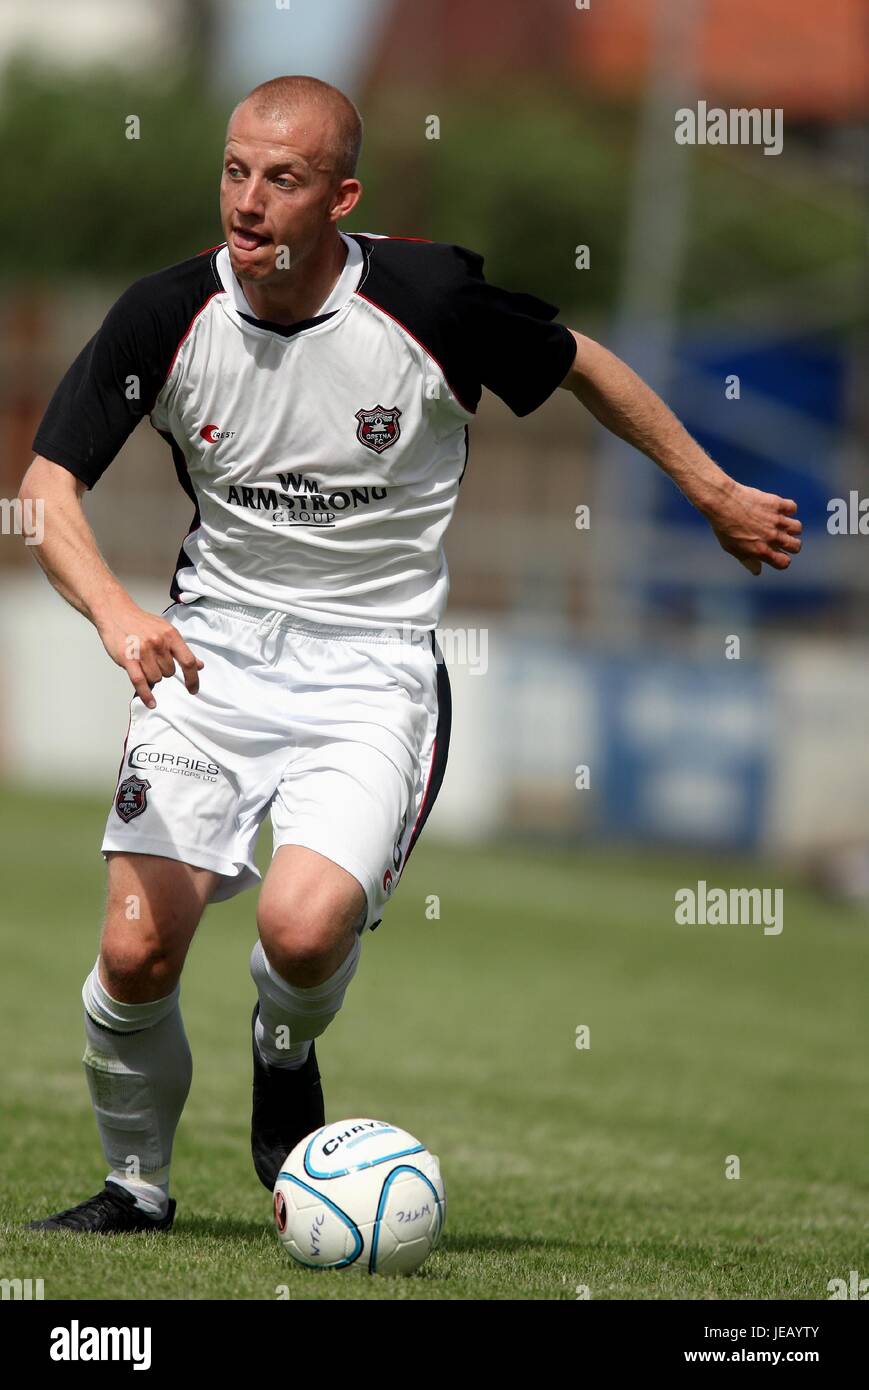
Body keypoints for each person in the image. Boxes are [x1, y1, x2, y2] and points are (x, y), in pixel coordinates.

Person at [20, 75, 801, 1233]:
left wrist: (712, 489)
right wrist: (116, 615)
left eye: (280, 180)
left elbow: (580, 359)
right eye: (234, 171)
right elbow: (43, 494)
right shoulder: (165, 313)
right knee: (134, 950)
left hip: (370, 673)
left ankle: (282, 1048)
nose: (247, 202)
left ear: (341, 196)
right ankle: (136, 1188)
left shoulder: (429, 299)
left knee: (299, 928)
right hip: (210, 664)